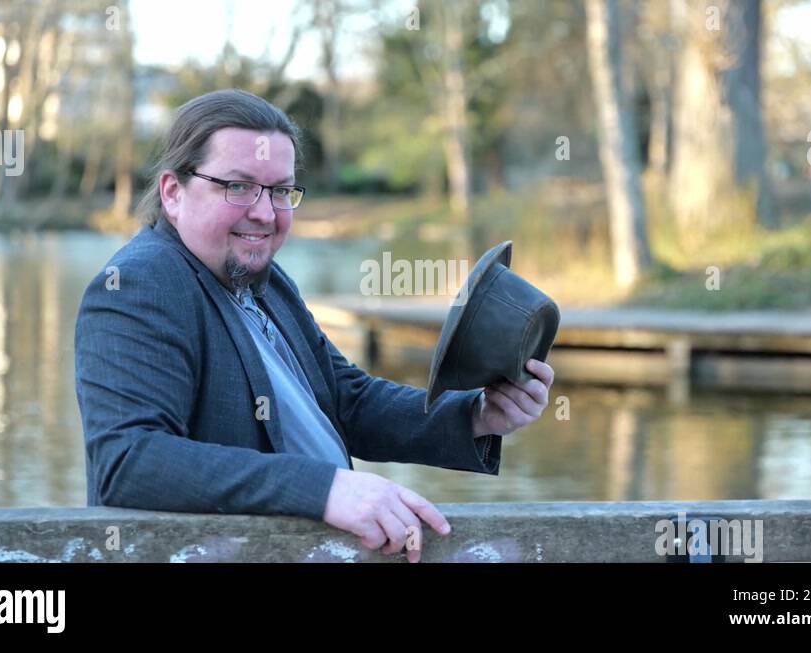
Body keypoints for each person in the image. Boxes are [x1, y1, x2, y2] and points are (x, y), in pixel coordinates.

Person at [74, 89, 555, 562]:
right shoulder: (139, 284)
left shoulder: (263, 276)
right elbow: (130, 460)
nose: (264, 213)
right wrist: (326, 490)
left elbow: (346, 401)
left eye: (281, 190)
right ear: (174, 192)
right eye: (238, 186)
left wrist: (475, 415)